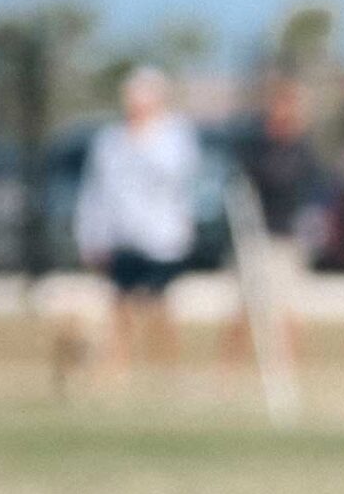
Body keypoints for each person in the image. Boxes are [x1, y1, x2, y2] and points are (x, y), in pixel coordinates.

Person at [74, 65, 200, 383]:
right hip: (121, 235)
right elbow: (95, 191)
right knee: (120, 301)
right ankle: (118, 367)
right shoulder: (110, 140)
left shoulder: (174, 135)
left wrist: (144, 138)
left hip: (162, 237)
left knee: (158, 302)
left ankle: (168, 369)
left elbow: (179, 175)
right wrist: (90, 236)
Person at [221, 72, 321, 370]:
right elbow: (242, 183)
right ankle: (229, 369)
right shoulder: (257, 147)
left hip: (286, 237)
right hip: (256, 236)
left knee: (288, 308)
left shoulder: (302, 150)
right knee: (247, 307)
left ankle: (286, 368)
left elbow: (311, 189)